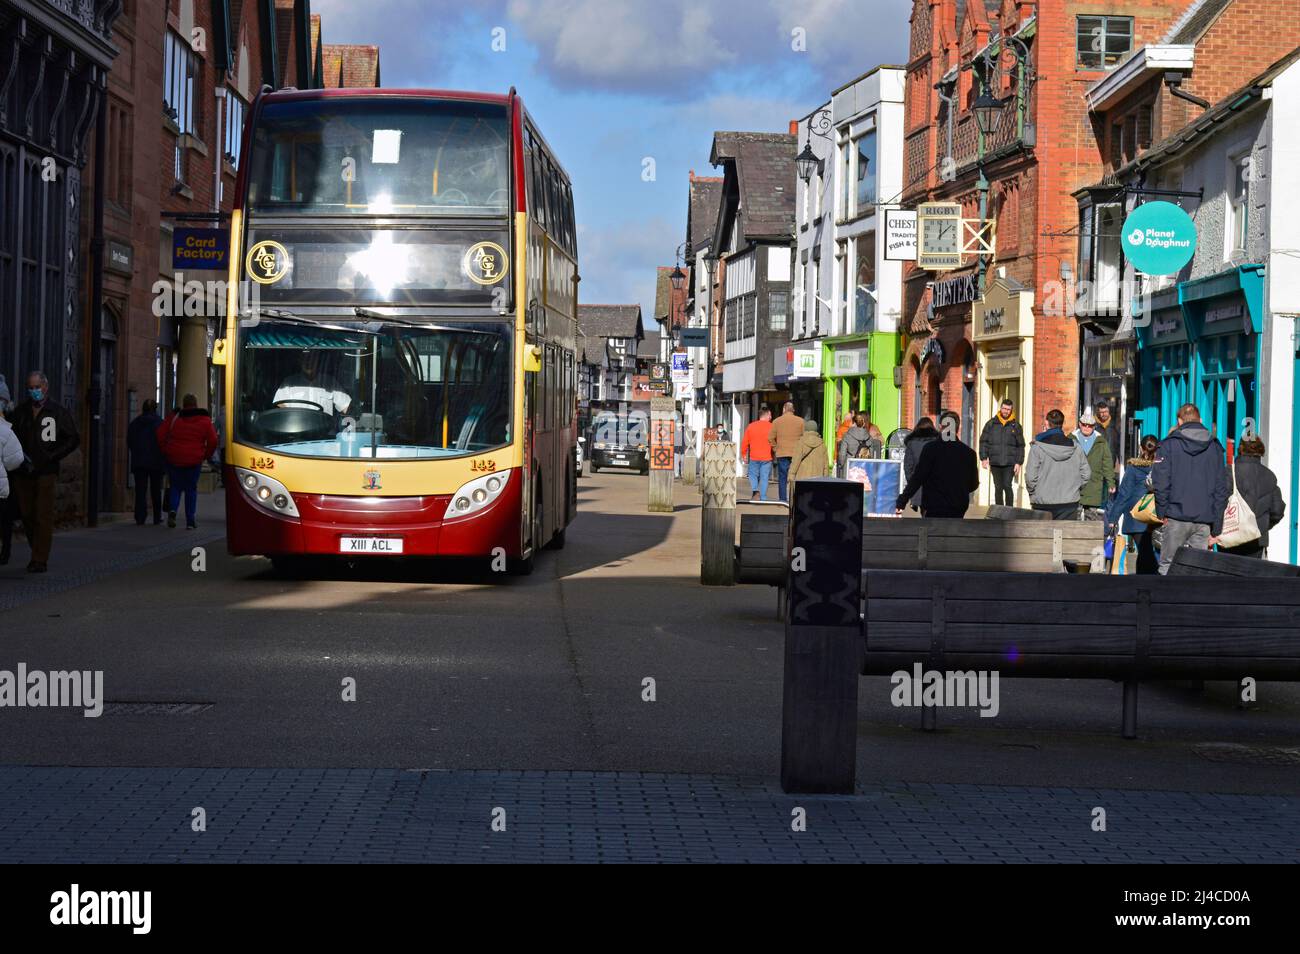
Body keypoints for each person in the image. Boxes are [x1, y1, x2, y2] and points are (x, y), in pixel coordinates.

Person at [9, 371, 80, 573]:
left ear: (45, 387)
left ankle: (39, 558)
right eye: (30, 388)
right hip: (23, 470)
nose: (34, 391)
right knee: (27, 513)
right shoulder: (21, 412)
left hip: (45, 470)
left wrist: (53, 455)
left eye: (37, 387)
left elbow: (72, 438)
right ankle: (37, 549)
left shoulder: (56, 412)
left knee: (42, 514)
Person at [1150, 403, 1229, 575]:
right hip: (1204, 519)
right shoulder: (1215, 447)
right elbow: (1221, 489)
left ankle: (1168, 601)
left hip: (1176, 515)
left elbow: (1160, 482)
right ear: (1200, 420)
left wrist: (1162, 512)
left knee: (1168, 566)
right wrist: (1217, 525)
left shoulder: (1169, 445)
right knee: (1198, 570)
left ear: (1179, 421)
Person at [895, 411, 978, 518]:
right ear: (957, 428)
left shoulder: (931, 449)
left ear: (940, 427)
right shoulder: (969, 453)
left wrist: (902, 500)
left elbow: (918, 477)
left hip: (934, 506)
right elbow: (973, 484)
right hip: (958, 507)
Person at [157, 393, 219, 530]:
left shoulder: (174, 417)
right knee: (191, 489)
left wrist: (166, 450)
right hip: (194, 459)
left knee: (175, 487)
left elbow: (160, 433)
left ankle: (172, 510)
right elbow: (213, 440)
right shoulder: (204, 420)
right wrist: (205, 455)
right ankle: (190, 521)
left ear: (184, 404)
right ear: (196, 404)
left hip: (174, 458)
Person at [1220, 436, 1285, 559]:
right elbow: (1277, 511)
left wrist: (1216, 529)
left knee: (1228, 575)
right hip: (1257, 538)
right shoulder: (1269, 475)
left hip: (1231, 535)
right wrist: (1263, 526)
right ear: (1260, 450)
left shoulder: (1229, 471)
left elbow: (1219, 503)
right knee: (1252, 576)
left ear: (1240, 449)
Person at [1104, 434, 1159, 574]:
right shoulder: (1162, 467)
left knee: (1144, 553)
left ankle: (1145, 584)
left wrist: (1113, 518)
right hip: (1158, 515)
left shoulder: (1134, 468)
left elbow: (1124, 494)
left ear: (1141, 448)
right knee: (1151, 553)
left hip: (1138, 515)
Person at [1024, 408, 1090, 520]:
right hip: (1069, 503)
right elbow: (1086, 474)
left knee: (1043, 537)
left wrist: (1034, 493)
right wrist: (1074, 489)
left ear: (1046, 424)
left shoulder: (1037, 448)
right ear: (1062, 424)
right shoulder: (1076, 447)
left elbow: (1030, 478)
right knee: (1065, 536)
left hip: (1042, 503)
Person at [273, 351, 353, 416]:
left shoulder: (330, 382)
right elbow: (280, 407)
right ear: (300, 361)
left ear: (317, 360)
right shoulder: (289, 383)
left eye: (312, 358)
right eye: (305, 358)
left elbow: (346, 407)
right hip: (297, 432)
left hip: (325, 433)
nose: (308, 362)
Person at [978, 398, 1026, 507]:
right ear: (1000, 408)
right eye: (1004, 408)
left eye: (1008, 409)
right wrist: (984, 458)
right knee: (998, 487)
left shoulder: (1016, 426)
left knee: (1007, 485)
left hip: (1010, 463)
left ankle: (1009, 511)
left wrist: (1018, 462)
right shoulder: (991, 424)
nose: (1006, 411)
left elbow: (1021, 445)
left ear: (1011, 410)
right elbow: (983, 441)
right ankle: (999, 511)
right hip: (995, 462)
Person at [127, 399, 166, 526]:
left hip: (139, 460)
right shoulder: (160, 424)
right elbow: (164, 442)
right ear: (155, 409)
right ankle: (157, 516)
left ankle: (140, 517)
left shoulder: (135, 423)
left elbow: (130, 441)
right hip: (156, 461)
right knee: (156, 490)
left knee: (140, 490)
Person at [0, 377, 26, 565]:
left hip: (10, 478)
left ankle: (5, 550)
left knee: (6, 518)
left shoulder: (13, 419)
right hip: (6, 477)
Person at [1073, 408, 1116, 520]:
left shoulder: (1101, 441)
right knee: (1073, 520)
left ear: (1094, 426)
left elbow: (1107, 462)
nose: (1087, 427)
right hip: (1074, 486)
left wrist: (1111, 482)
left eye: (1090, 425)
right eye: (1084, 424)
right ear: (1079, 424)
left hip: (1094, 484)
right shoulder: (1071, 439)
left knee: (1091, 520)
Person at [768, 401, 805, 504]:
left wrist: (776, 449)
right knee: (795, 477)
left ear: (784, 409)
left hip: (782, 453)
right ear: (793, 410)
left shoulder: (776, 421)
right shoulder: (801, 421)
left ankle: (783, 500)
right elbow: (804, 437)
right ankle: (795, 499)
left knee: (783, 478)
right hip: (796, 454)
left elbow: (770, 438)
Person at [901, 416, 940, 512]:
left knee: (924, 512)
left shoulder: (912, 443)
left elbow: (908, 466)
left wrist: (912, 482)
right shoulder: (938, 442)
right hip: (936, 484)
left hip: (918, 484)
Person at [787, 418, 828, 500]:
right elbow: (825, 464)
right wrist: (825, 478)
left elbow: (796, 460)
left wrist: (791, 474)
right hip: (818, 478)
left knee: (803, 500)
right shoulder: (822, 444)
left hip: (802, 478)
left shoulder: (801, 442)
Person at [740, 407, 774, 501]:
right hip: (767, 457)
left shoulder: (751, 426)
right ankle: (763, 497)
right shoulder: (772, 427)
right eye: (770, 415)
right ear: (766, 415)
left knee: (752, 475)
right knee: (764, 477)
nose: (771, 417)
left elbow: (745, 442)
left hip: (754, 457)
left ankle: (755, 490)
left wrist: (743, 454)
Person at [837, 411, 880, 475]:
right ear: (863, 424)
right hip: (864, 467)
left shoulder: (847, 436)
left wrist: (841, 465)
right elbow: (871, 455)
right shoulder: (869, 438)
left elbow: (842, 454)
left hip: (849, 466)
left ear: (854, 423)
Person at [1095, 401, 1122, 471]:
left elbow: (1118, 445)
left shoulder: (1114, 425)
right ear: (1098, 413)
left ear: (1109, 411)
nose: (1104, 414)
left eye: (1106, 411)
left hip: (1110, 462)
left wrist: (1121, 462)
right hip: (1095, 463)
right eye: (1101, 412)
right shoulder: (1092, 426)